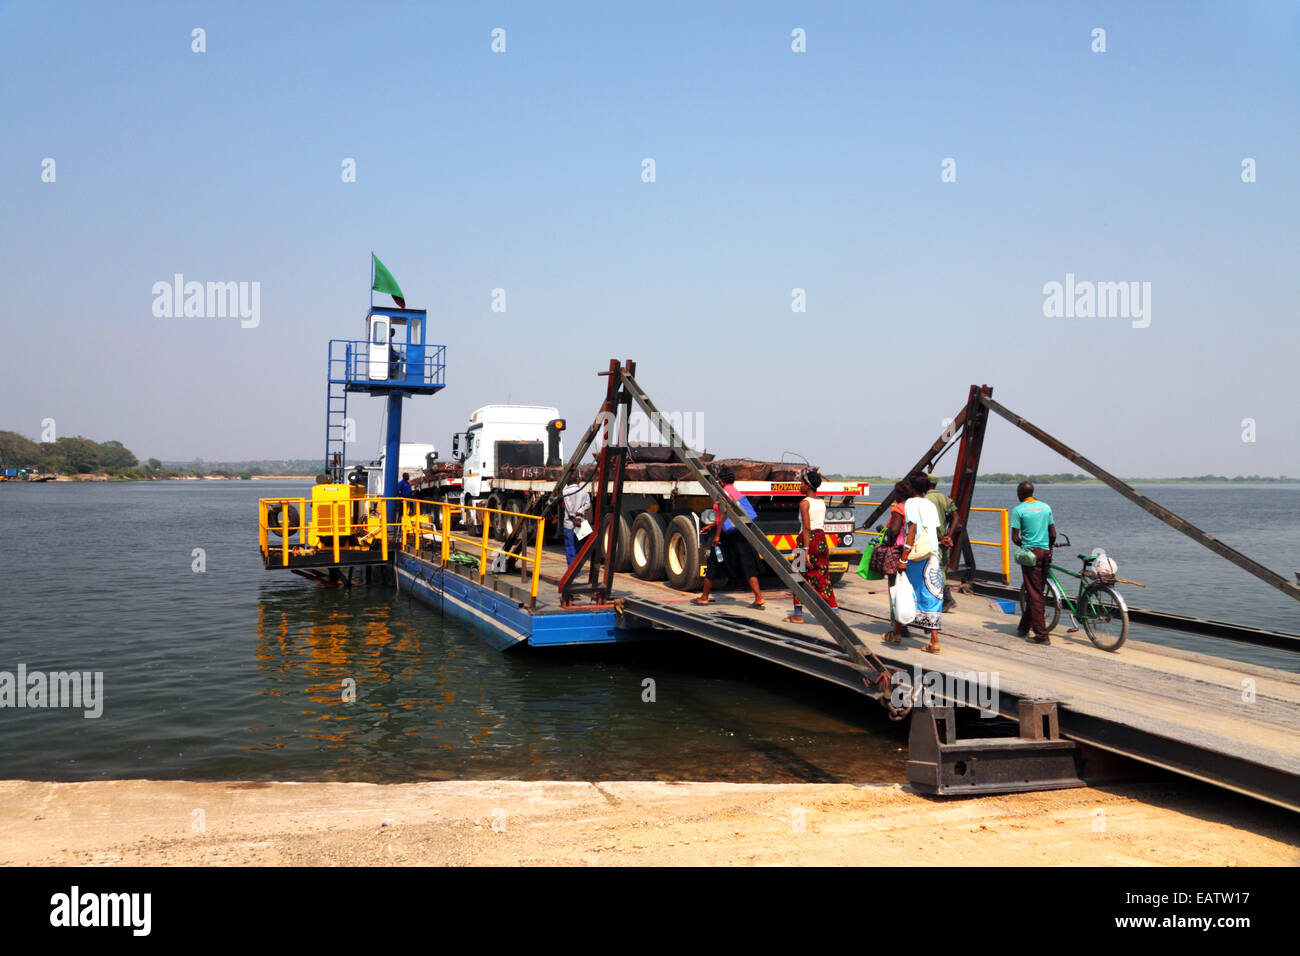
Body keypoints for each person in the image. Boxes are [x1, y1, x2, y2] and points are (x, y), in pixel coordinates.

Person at [694, 466, 765, 608]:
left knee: (713, 564)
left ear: (720, 480)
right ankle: (758, 597)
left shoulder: (723, 492)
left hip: (727, 534)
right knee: (747, 563)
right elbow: (730, 516)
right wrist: (712, 525)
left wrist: (717, 535)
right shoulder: (735, 491)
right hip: (740, 532)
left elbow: (724, 514)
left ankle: (704, 597)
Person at [889, 477, 943, 653]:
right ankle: (934, 641)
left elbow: (912, 530)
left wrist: (904, 557)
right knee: (932, 594)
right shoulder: (931, 505)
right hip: (932, 554)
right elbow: (936, 531)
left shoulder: (911, 503)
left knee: (904, 591)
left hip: (916, 555)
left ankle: (896, 634)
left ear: (912, 487)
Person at [784, 470, 838, 623]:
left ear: (808, 485)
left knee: (797, 576)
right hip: (821, 540)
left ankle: (797, 614)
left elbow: (806, 527)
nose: (800, 486)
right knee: (823, 577)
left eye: (802, 483)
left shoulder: (804, 502)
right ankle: (834, 611)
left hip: (806, 542)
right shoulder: (821, 502)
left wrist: (805, 551)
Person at [1011, 480, 1056, 645]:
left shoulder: (1018, 510)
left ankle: (1042, 635)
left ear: (1020, 493)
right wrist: (1049, 548)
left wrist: (1025, 546)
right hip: (1045, 552)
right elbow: (1053, 533)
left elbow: (1015, 537)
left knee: (1035, 595)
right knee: (1037, 590)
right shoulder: (1046, 507)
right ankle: (1023, 627)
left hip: (1032, 555)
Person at [922, 473, 961, 612]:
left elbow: (929, 521)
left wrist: (939, 537)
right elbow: (956, 517)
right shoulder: (945, 498)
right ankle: (944, 599)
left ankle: (947, 599)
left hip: (933, 541)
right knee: (943, 569)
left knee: (935, 570)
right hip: (946, 541)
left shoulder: (925, 499)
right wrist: (948, 536)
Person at [561, 480, 592, 567]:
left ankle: (571, 569)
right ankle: (577, 567)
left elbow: (568, 506)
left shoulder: (566, 491)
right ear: (577, 481)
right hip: (580, 522)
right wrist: (580, 511)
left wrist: (573, 516)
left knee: (570, 547)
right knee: (579, 546)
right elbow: (588, 504)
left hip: (569, 523)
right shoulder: (584, 491)